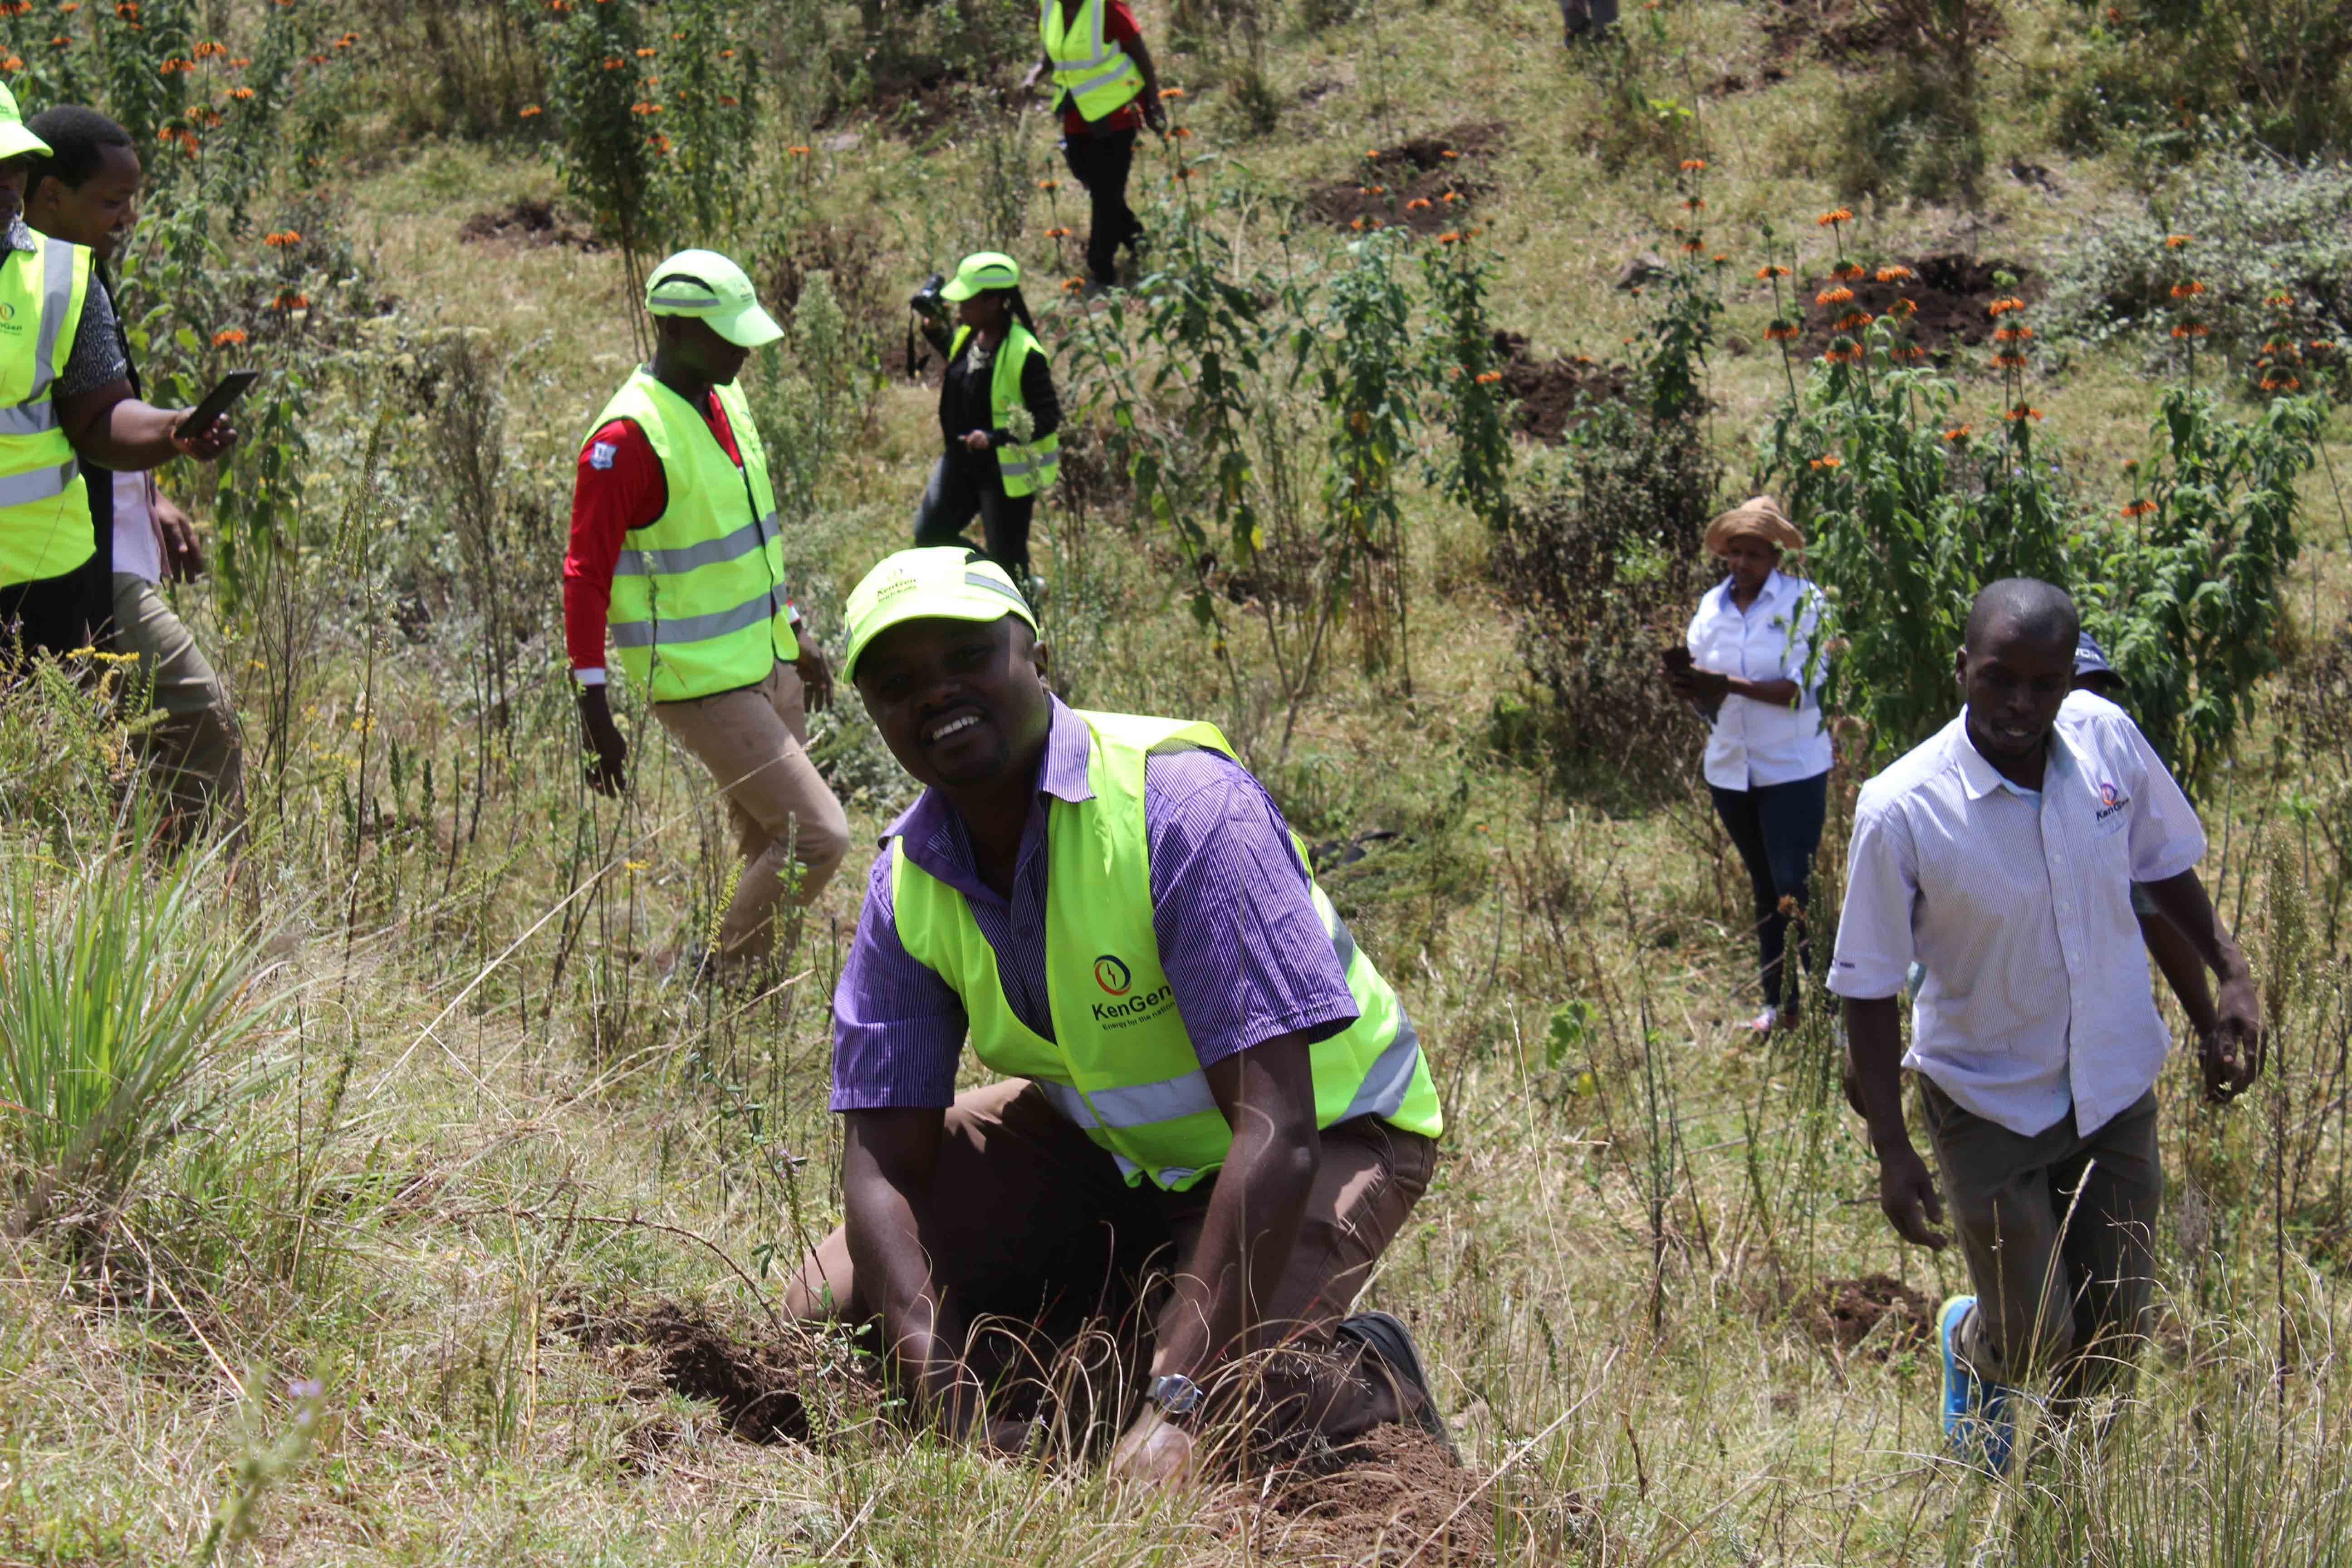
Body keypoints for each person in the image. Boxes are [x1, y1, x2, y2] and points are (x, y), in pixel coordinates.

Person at [785, 546, 1450, 1483]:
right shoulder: (912, 878)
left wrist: (1179, 1404)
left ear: (1039, 657)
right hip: (1115, 1149)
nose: (938, 694)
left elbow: (1279, 1129)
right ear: (875, 714)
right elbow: (883, 1162)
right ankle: (1122, 1331)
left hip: (1329, 1136)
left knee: (1233, 1411)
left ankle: (1370, 1379)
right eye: (899, 683)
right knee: (832, 1304)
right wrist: (941, 1390)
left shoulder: (1179, 809)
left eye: (969, 658)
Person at [1830, 578, 2261, 1472]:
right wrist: (1890, 1148)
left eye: (2044, 682)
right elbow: (1866, 989)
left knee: (2115, 1331)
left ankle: (2059, 1491)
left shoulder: (2105, 741)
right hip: (1987, 1100)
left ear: (2072, 679)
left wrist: (2232, 976)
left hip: (2114, 1087)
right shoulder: (1902, 807)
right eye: (1999, 679)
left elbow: (2162, 867)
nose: (2020, 704)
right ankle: (1973, 1343)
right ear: (1962, 671)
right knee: (2035, 1338)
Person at [564, 248, 849, 976]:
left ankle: (744, 1006)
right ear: (673, 327)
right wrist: (594, 705)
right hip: (700, 682)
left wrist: (794, 627)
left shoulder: (725, 399)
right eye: (728, 335)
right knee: (818, 837)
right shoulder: (627, 439)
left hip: (764, 656)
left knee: (768, 841)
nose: (744, 348)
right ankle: (702, 977)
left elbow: (744, 539)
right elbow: (585, 575)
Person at [25, 104, 244, 840]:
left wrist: (155, 476)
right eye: (110, 201)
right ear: (52, 194)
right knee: (178, 723)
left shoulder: (67, 279)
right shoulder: (51, 275)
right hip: (64, 566)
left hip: (78, 555)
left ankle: (170, 908)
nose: (126, 219)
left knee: (102, 747)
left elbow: (93, 415)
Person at [0, 83, 236, 667]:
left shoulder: (61, 277)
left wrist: (171, 430)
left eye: (16, 165)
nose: (8, 184)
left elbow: (99, 415)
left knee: (56, 752)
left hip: (44, 583)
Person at [1663, 496, 1830, 1034]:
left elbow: (1802, 691)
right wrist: (1690, 689)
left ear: (1776, 556)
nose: (1741, 564)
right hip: (1731, 770)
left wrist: (1727, 685)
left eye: (1753, 554)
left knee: (1795, 889)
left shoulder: (1807, 604)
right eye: (1733, 553)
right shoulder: (1711, 609)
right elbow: (1705, 695)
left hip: (1793, 769)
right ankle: (1780, 1006)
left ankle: (1835, 1010)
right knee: (1764, 888)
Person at [2069, 630, 2218, 1035]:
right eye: (2068, 690)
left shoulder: (2107, 772)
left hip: (2104, 1044)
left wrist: (2210, 1024)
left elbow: (2156, 895)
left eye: (2095, 691)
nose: (2084, 707)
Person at [911, 252, 1059, 595]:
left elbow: (1049, 417)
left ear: (994, 302)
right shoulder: (969, 335)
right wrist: (936, 334)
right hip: (961, 463)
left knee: (1010, 564)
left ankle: (1021, 611)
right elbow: (963, 365)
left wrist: (996, 438)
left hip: (1003, 474)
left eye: (968, 300)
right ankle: (998, 581)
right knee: (930, 535)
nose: (959, 307)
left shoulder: (1026, 353)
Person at [1023, 0, 1166, 292]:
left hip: (1118, 110)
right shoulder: (1048, 9)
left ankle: (1101, 270)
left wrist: (1153, 103)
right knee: (1093, 181)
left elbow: (1140, 53)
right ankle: (1138, 239)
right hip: (1077, 112)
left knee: (1105, 192)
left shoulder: (1108, 9)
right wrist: (1035, 72)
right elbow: (1053, 53)